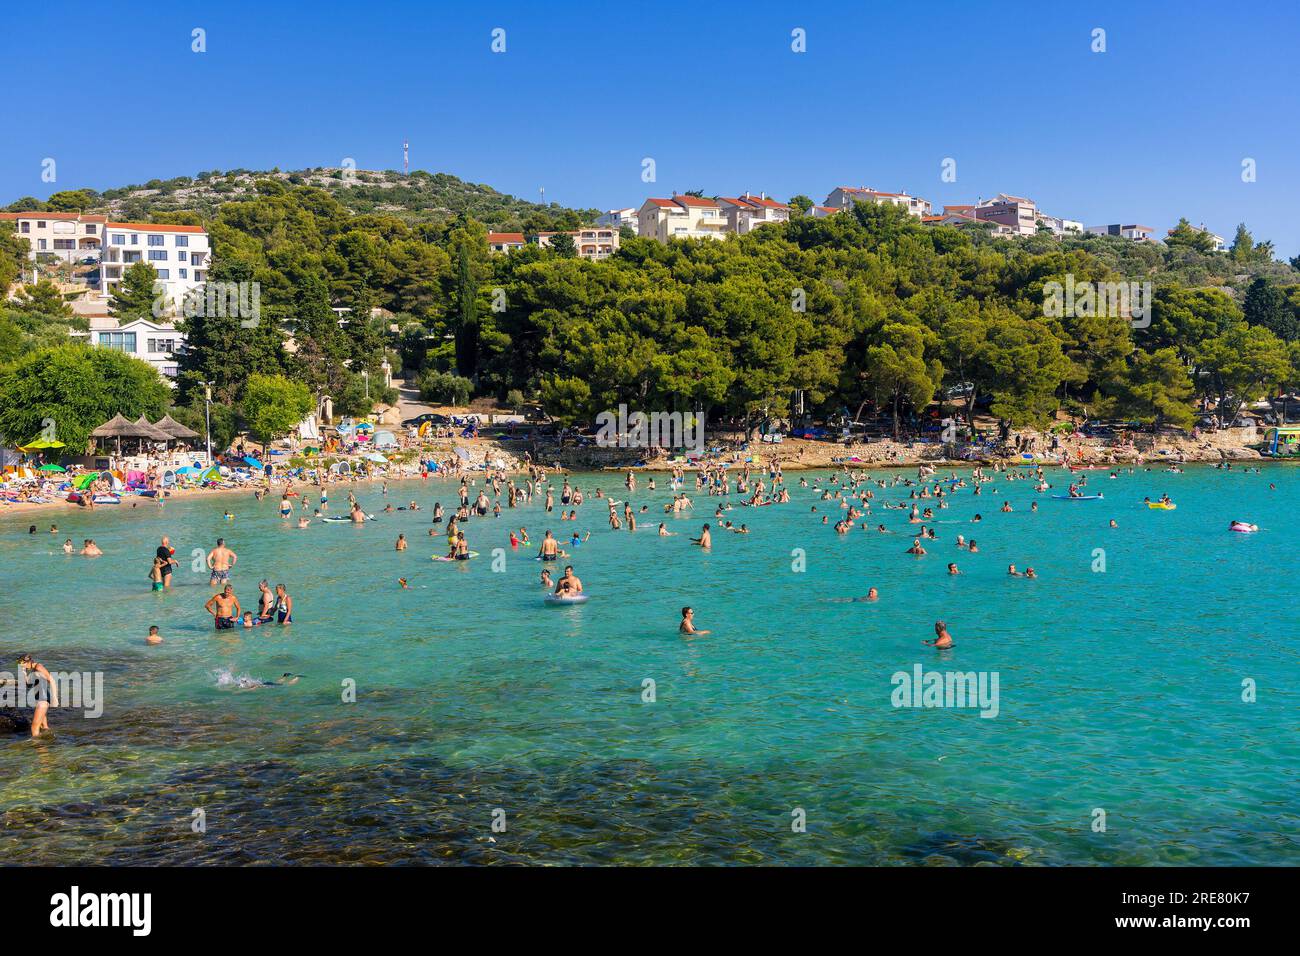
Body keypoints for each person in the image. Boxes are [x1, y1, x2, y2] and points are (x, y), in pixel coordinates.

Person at [16, 654, 57, 738]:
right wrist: (24, 672)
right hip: (39, 699)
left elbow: (51, 680)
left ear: (28, 662)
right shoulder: (33, 669)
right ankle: (51, 741)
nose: (20, 665)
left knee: (34, 727)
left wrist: (55, 698)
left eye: (21, 663)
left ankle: (39, 747)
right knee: (44, 726)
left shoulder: (38, 667)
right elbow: (28, 684)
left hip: (43, 699)